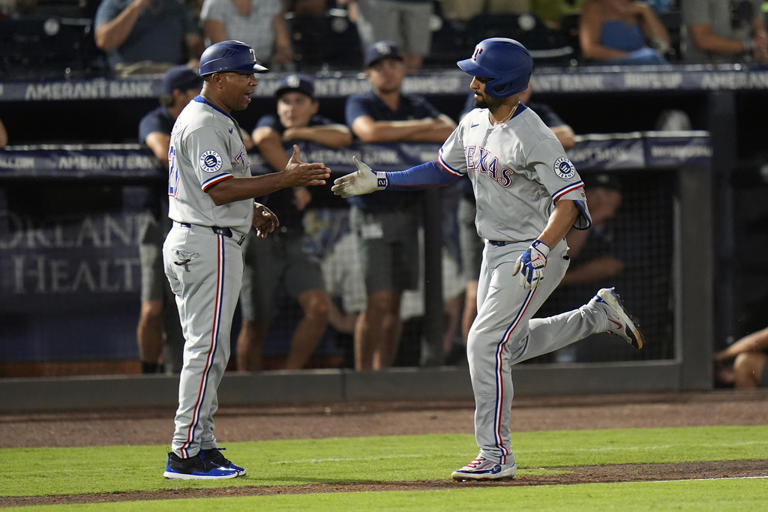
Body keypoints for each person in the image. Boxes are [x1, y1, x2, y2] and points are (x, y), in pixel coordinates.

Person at [332, 37, 644, 481]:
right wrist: (383, 180)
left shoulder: (535, 134)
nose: (473, 82)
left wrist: (541, 246)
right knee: (507, 346)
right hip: (495, 248)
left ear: (505, 82)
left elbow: (571, 201)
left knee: (483, 344)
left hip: (534, 251)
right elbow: (441, 169)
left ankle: (496, 453)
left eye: (481, 76)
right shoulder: (474, 121)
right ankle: (595, 318)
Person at [162, 40, 331, 480]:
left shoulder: (216, 119)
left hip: (205, 236)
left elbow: (214, 186)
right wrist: (285, 179)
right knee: (206, 349)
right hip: (205, 242)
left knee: (210, 349)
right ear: (218, 78)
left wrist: (251, 208)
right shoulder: (202, 122)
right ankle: (184, 452)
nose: (253, 81)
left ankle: (202, 443)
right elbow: (218, 189)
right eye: (244, 73)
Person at [344, 40, 456, 371]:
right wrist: (420, 128)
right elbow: (369, 131)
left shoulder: (414, 102)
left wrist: (400, 130)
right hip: (372, 214)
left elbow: (449, 129)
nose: (387, 70)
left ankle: (382, 375)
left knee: (395, 302)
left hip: (408, 213)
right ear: (368, 73)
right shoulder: (360, 101)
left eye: (393, 63)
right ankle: (364, 377)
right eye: (379, 65)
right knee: (377, 300)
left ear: (404, 68)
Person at [236, 74, 352, 371]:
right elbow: (263, 138)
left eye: (299, 101)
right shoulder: (269, 123)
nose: (291, 108)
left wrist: (305, 133)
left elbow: (343, 135)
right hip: (261, 235)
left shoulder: (314, 125)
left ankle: (289, 377)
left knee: (319, 307)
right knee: (256, 321)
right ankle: (250, 391)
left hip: (295, 235)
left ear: (313, 106)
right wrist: (294, 181)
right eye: (285, 101)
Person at [458, 77, 576, 345]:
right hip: (477, 211)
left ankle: (490, 361)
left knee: (511, 306)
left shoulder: (536, 116)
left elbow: (568, 136)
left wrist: (523, 135)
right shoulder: (482, 107)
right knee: (475, 294)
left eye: (527, 83)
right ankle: (472, 365)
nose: (524, 89)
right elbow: (471, 133)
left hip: (518, 220)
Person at [136, 65, 203, 374]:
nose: (201, 95)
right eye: (193, 91)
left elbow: (242, 141)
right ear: (177, 94)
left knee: (185, 307)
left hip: (192, 222)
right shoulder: (157, 118)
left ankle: (176, 377)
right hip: (158, 219)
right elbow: (164, 151)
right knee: (153, 309)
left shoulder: (205, 119)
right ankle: (148, 373)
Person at [94, 0, 204, 73]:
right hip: (129, 72)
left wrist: (193, 59)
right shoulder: (115, 3)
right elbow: (104, 42)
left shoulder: (177, 5)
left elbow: (194, 44)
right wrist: (137, 5)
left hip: (170, 73)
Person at [199, 0, 293, 68]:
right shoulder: (215, 4)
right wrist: (247, 62)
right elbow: (222, 50)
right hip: (228, 67)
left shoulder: (271, 2)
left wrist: (282, 54)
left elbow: (283, 45)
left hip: (267, 65)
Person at [345, 0, 433, 70]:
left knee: (415, 56)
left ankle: (406, 92)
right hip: (378, 3)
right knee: (380, 55)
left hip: (420, 3)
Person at [579, 0, 670, 65]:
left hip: (641, 67)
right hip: (608, 68)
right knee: (650, 57)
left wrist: (646, 11)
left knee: (652, 57)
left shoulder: (637, 8)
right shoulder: (596, 6)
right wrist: (631, 58)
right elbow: (590, 50)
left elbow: (664, 44)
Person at [681, 0, 768, 65]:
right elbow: (702, 39)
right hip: (704, 68)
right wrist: (750, 45)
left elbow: (758, 28)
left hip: (747, 67)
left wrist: (762, 48)